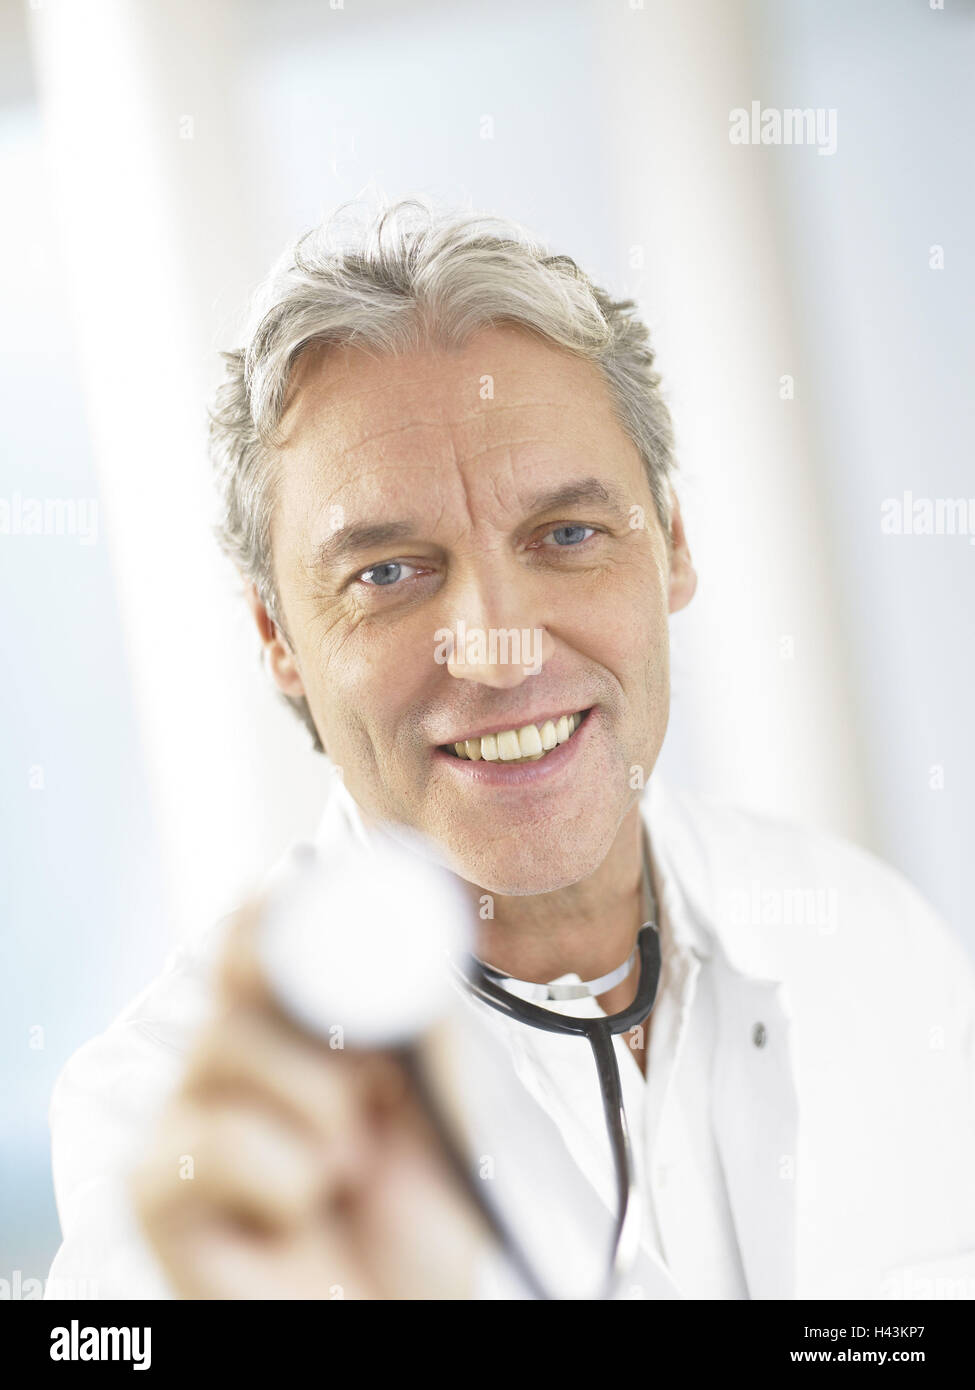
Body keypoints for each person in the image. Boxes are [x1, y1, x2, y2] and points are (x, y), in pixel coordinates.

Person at [45, 196, 975, 1301]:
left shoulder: (875, 939)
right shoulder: (175, 1135)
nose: (499, 650)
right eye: (387, 573)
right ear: (276, 635)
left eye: (567, 534)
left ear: (672, 545)